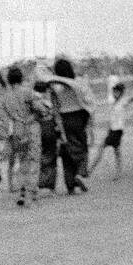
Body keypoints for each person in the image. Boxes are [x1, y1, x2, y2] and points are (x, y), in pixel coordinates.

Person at [2, 66, 48, 206]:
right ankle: (31, 192)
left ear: (9, 80)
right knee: (33, 160)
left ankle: (22, 192)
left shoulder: (5, 98)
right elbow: (41, 109)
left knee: (22, 161)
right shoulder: (27, 92)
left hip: (17, 129)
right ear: (21, 78)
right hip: (31, 128)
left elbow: (6, 116)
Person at [49, 57, 95, 194]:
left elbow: (55, 109)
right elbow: (89, 102)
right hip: (79, 117)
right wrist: (90, 124)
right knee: (82, 147)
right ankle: (80, 173)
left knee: (66, 151)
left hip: (64, 118)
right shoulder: (78, 83)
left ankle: (70, 186)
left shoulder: (55, 87)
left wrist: (59, 127)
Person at [88, 81, 133, 179]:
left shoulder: (123, 102)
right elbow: (112, 119)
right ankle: (117, 173)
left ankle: (90, 170)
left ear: (120, 93)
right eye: (114, 92)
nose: (114, 94)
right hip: (112, 130)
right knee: (116, 151)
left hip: (117, 131)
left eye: (116, 92)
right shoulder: (114, 103)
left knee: (104, 149)